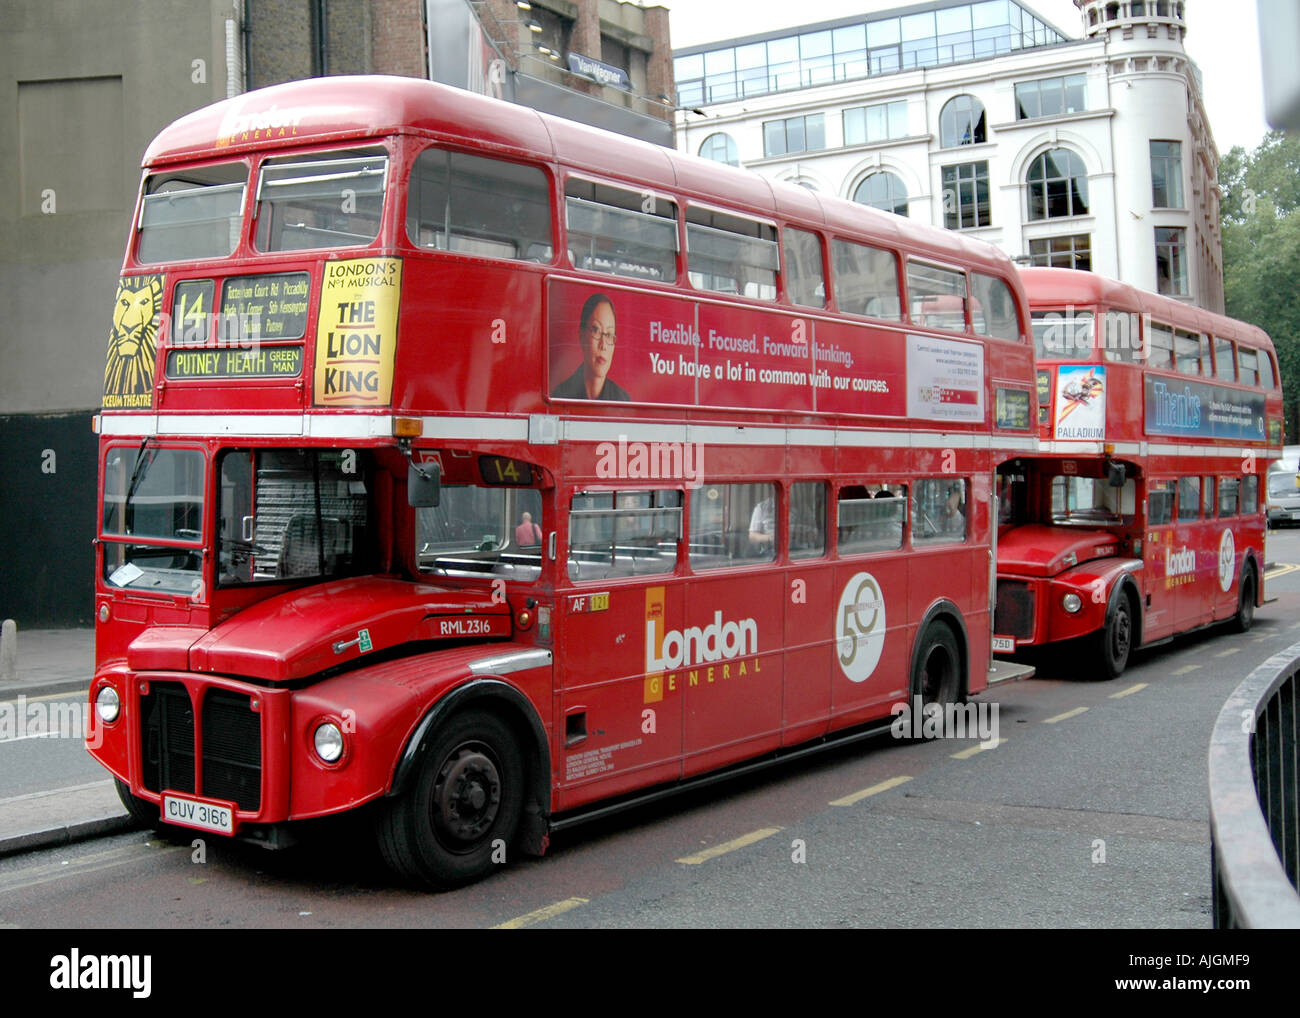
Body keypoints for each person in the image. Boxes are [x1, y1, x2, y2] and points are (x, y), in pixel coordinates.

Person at [552, 293, 630, 401]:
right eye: (596, 331)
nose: (603, 345)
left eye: (609, 335)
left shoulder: (622, 401)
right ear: (582, 336)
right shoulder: (560, 396)